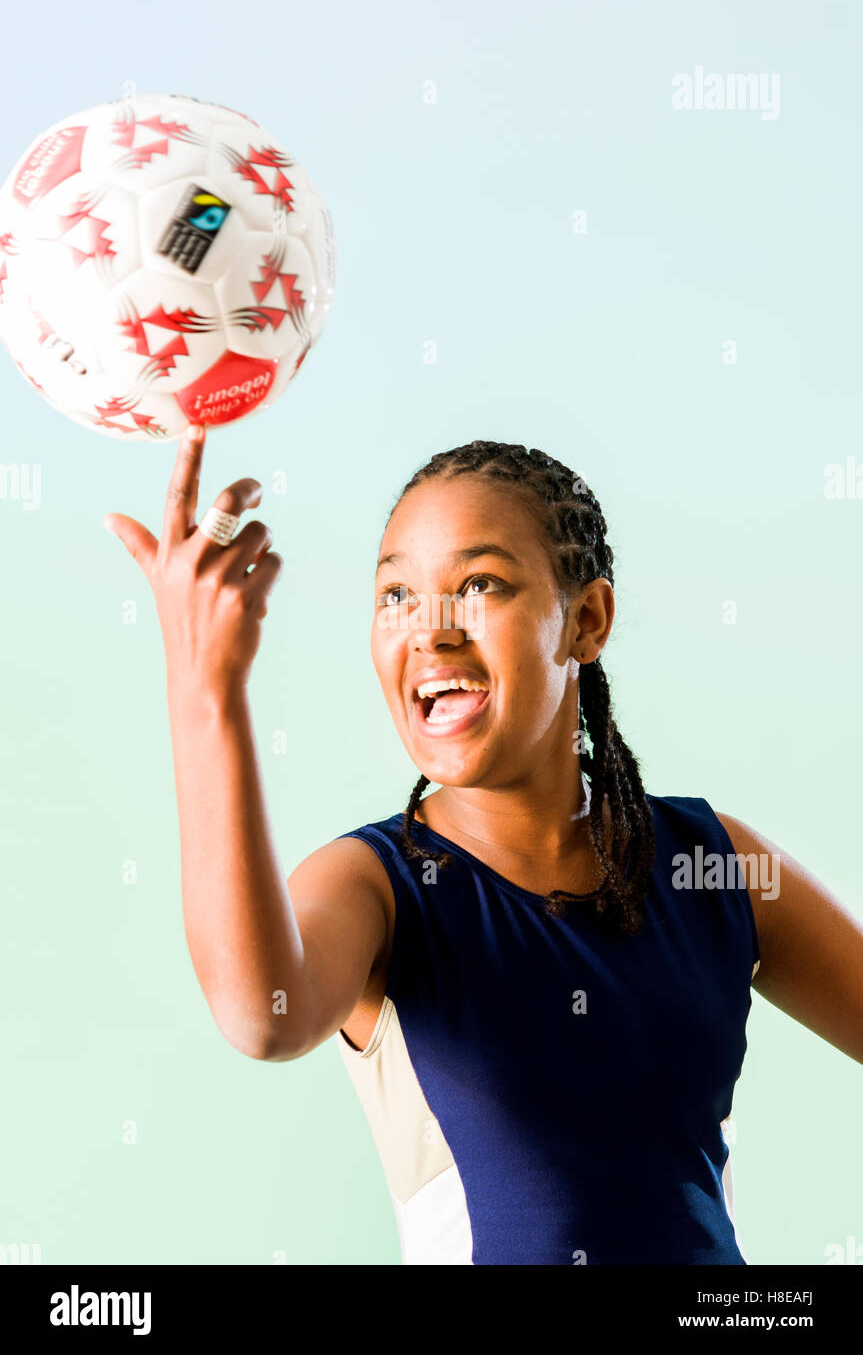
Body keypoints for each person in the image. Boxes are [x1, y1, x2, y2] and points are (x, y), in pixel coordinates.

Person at [103, 424, 863, 1266]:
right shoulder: (378, 887)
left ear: (586, 620)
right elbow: (262, 1018)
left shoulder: (709, 859)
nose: (429, 630)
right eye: (396, 595)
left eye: (480, 584)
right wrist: (205, 687)